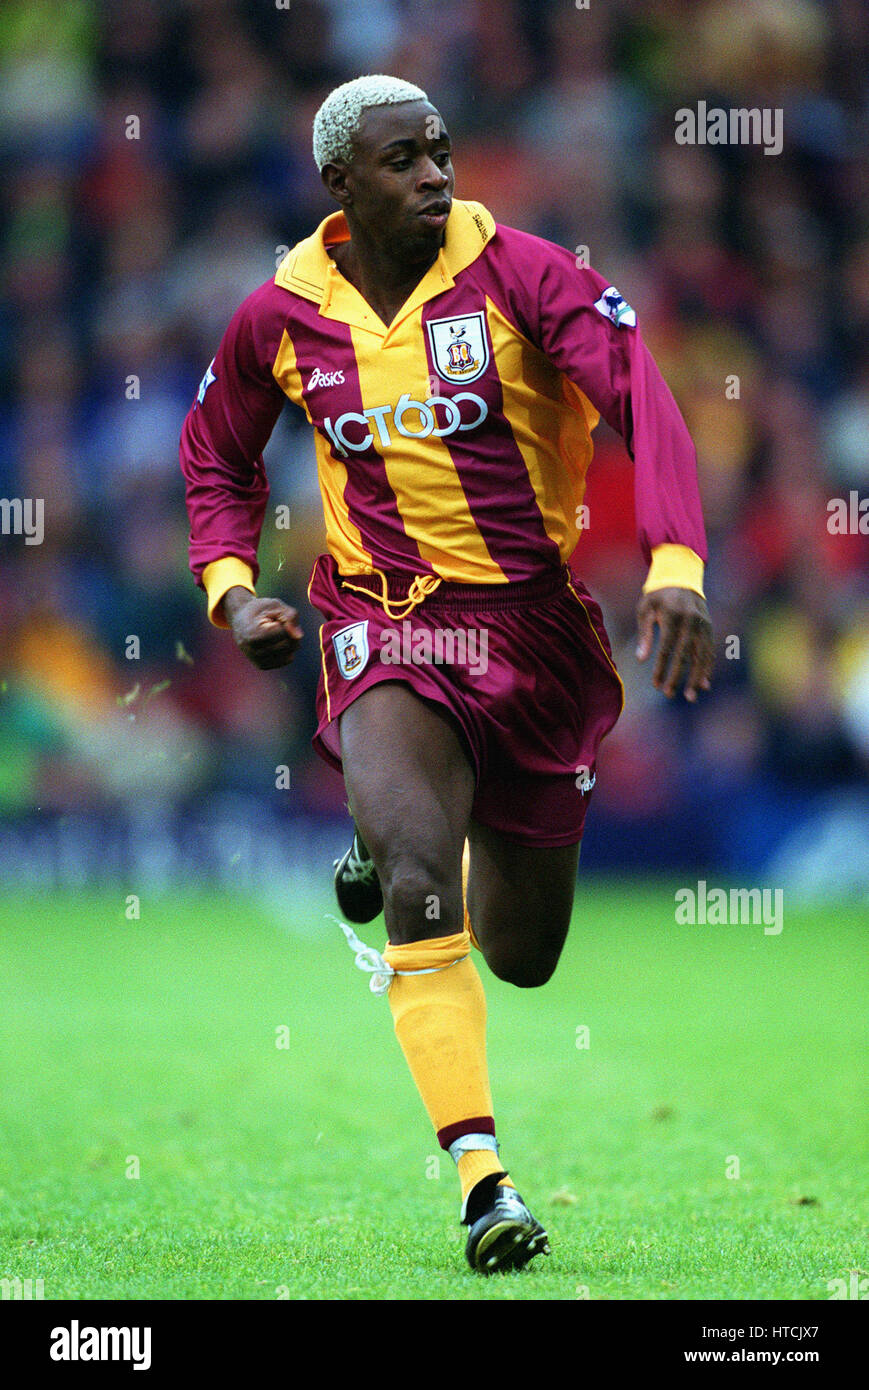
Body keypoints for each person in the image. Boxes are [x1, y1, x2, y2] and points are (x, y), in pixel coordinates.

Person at [180, 74, 714, 1274]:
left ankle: (391, 835)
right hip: (382, 625)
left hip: (532, 642)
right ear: (339, 186)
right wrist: (232, 589)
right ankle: (483, 1180)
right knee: (426, 883)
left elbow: (644, 398)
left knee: (521, 954)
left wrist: (674, 560)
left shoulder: (523, 274)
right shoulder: (280, 315)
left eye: (440, 151)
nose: (433, 174)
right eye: (401, 160)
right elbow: (215, 453)